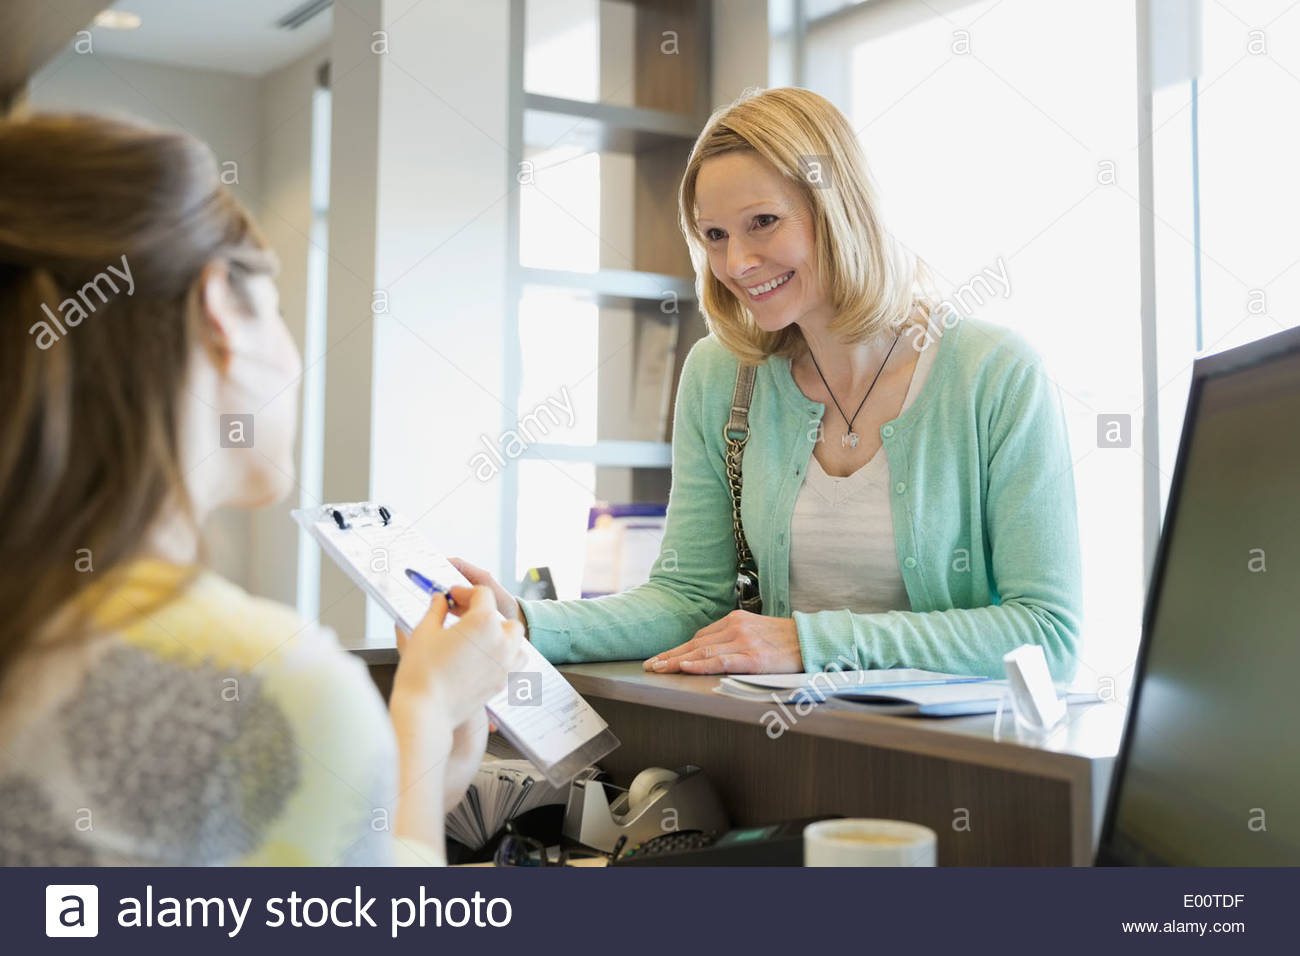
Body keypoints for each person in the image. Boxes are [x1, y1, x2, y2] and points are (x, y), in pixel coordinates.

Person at [0, 113, 526, 865]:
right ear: (222, 311)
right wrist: (423, 709)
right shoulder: (269, 688)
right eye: (276, 308)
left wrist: (423, 761)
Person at [449, 88, 1082, 681]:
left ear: (838, 211)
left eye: (764, 223)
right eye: (715, 236)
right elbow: (689, 597)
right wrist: (526, 622)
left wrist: (810, 644)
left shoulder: (994, 373)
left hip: (954, 766)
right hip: (775, 747)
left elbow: (1048, 638)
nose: (736, 264)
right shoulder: (719, 375)